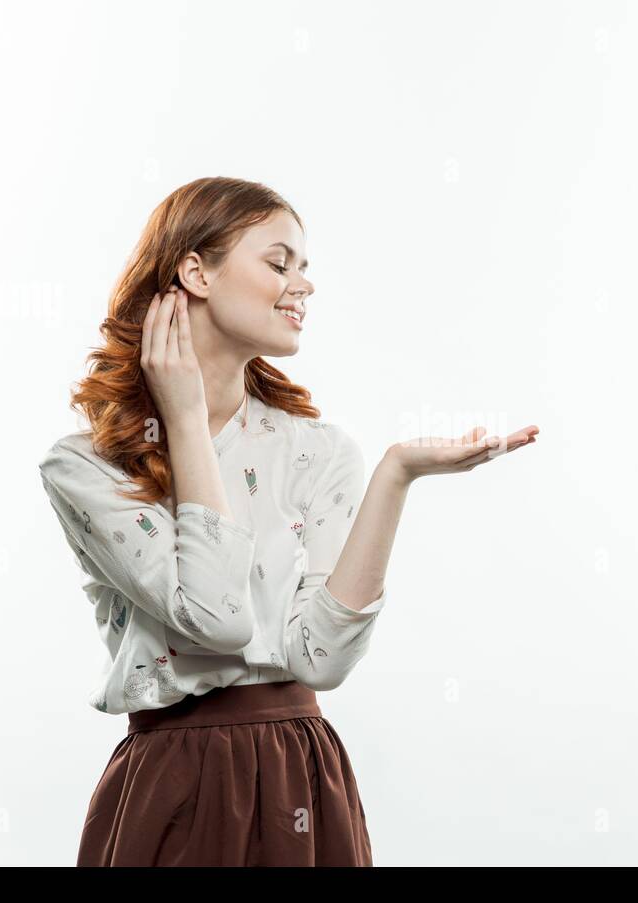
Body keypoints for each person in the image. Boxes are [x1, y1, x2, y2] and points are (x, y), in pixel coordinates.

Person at [36, 176, 540, 866]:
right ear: (195, 271)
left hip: (301, 774)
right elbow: (217, 617)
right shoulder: (86, 467)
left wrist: (396, 474)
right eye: (280, 263)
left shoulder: (317, 451)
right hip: (170, 784)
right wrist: (183, 417)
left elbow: (320, 659)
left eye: (305, 268)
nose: (303, 286)